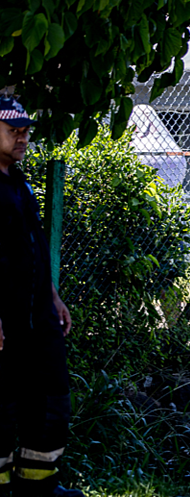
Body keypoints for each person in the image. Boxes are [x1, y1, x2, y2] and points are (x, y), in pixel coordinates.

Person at [0, 97, 83, 497]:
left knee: (50, 403)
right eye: (12, 130)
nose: (22, 137)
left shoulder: (19, 182)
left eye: (25, 131)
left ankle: (38, 489)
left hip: (38, 318)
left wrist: (53, 296)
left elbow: (33, 244)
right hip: (5, 321)